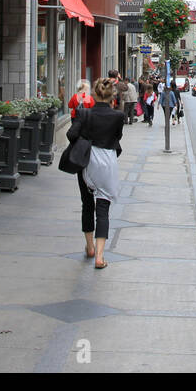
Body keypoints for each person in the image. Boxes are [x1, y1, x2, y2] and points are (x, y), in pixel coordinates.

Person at [67, 77, 124, 269]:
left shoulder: (84, 113)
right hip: (107, 162)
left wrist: (85, 135)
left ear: (94, 94)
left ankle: (89, 247)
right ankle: (100, 256)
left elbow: (71, 135)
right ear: (111, 96)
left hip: (87, 161)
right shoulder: (118, 116)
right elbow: (118, 137)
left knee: (87, 204)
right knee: (103, 207)